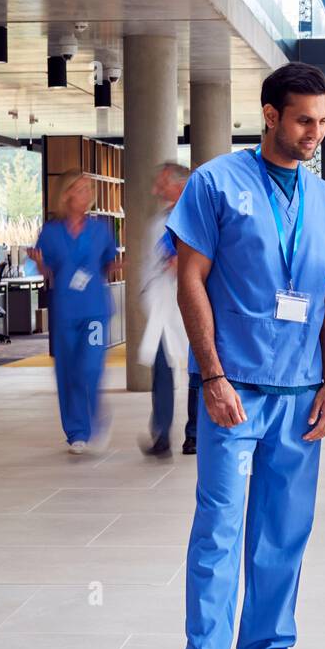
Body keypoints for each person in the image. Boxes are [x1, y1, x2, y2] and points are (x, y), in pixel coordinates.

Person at [160, 63, 325, 649]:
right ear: (270, 114)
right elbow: (191, 279)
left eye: (324, 123)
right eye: (304, 120)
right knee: (219, 527)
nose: (315, 134)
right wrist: (211, 377)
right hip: (234, 391)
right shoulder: (216, 183)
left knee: (284, 532)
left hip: (299, 396)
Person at [32, 171, 116, 455]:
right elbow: (48, 271)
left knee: (90, 368)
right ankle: (76, 432)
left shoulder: (101, 229)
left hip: (94, 310)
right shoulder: (51, 232)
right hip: (66, 311)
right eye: (81, 190)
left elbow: (106, 264)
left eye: (89, 189)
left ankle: (95, 421)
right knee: (67, 371)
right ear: (67, 194)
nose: (88, 195)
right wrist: (40, 264)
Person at [137, 162, 194, 458]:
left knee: (197, 369)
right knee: (162, 367)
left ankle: (195, 434)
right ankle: (161, 435)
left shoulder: (200, 214)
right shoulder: (157, 223)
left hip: (194, 303)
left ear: (179, 185)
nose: (155, 191)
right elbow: (150, 263)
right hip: (163, 305)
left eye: (161, 184)